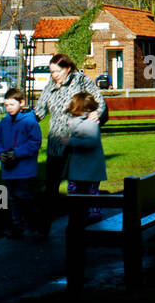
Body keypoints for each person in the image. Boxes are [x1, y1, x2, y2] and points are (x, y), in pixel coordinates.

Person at [34, 53, 108, 216]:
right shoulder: (49, 86)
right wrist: (23, 121)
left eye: (57, 72)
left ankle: (80, 219)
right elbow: (39, 111)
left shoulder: (81, 81)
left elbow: (99, 103)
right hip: (57, 142)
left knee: (80, 185)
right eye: (51, 72)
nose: (54, 75)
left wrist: (97, 113)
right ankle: (43, 225)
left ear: (67, 69)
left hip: (79, 143)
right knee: (51, 184)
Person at [0, 88, 44, 239]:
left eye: (12, 104)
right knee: (12, 198)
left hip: (24, 169)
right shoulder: (4, 123)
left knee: (25, 197)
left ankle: (34, 226)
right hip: (9, 169)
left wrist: (17, 153)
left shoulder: (29, 122)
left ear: (21, 103)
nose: (8, 108)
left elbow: (35, 143)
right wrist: (0, 152)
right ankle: (18, 226)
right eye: (6, 105)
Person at [64, 92, 108, 221]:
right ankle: (81, 210)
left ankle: (93, 213)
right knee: (83, 189)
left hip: (90, 165)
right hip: (83, 165)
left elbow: (91, 142)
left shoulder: (90, 123)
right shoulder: (82, 121)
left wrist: (70, 142)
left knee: (89, 190)